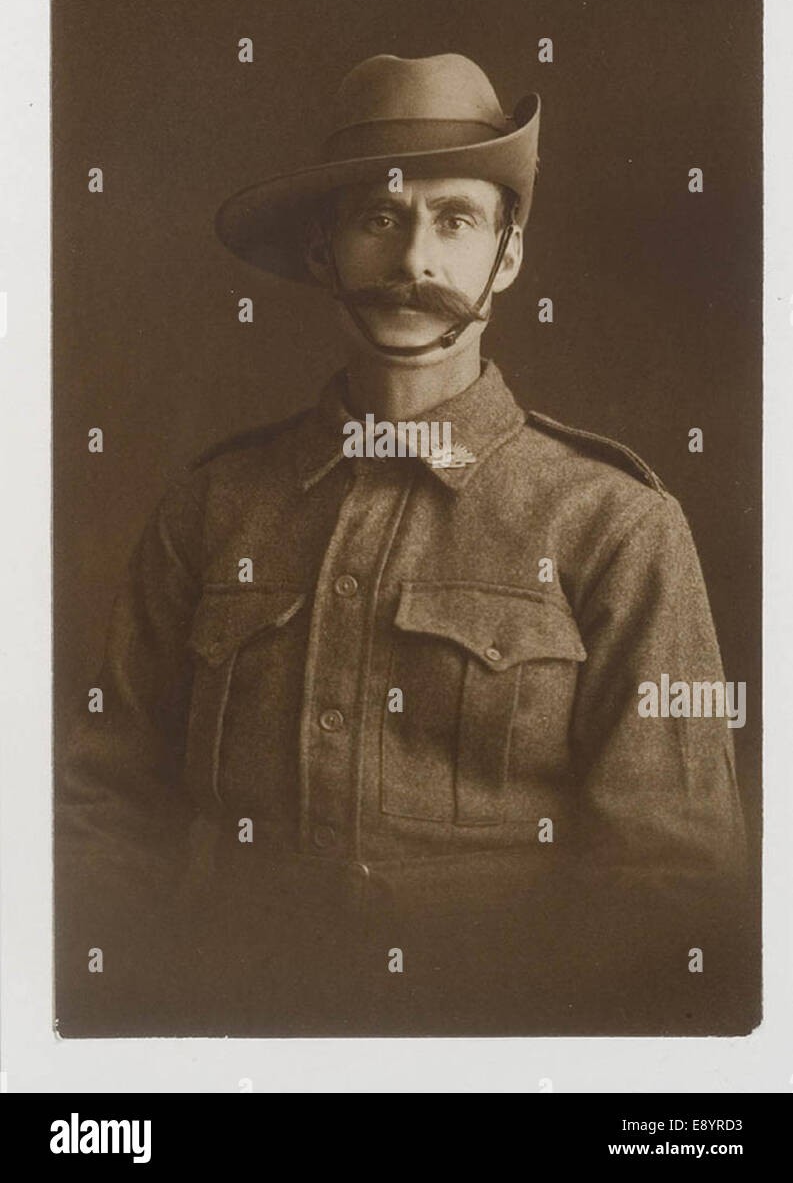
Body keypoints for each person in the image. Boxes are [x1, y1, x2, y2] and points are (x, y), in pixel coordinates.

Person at [57, 54, 751, 1037]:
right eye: (378, 218)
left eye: (456, 219)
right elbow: (103, 811)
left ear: (506, 256)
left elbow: (670, 890)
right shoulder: (213, 510)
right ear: (320, 252)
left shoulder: (616, 524)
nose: (414, 259)